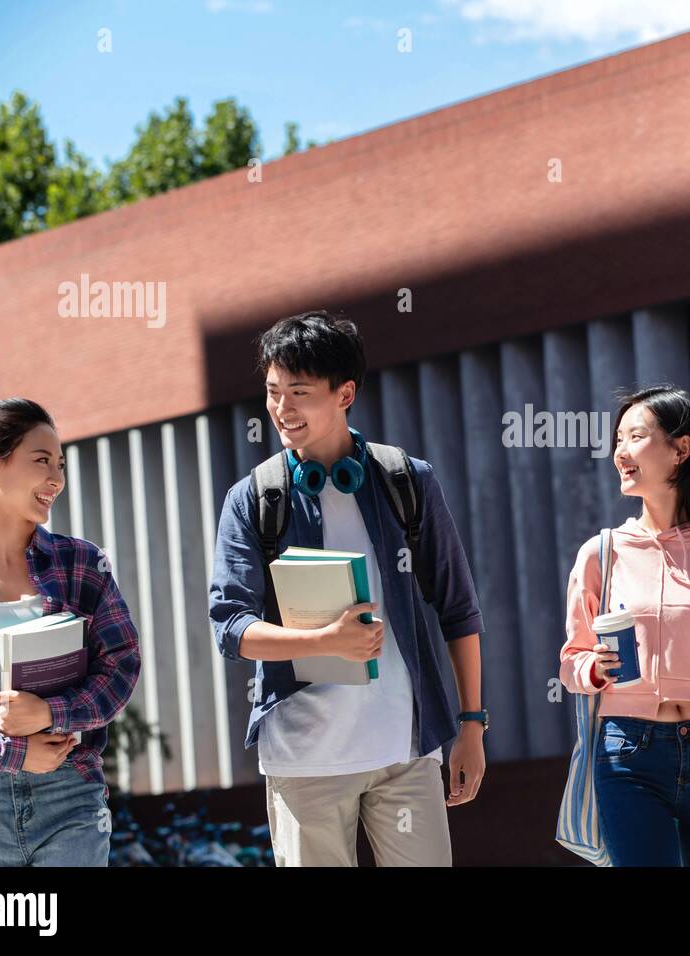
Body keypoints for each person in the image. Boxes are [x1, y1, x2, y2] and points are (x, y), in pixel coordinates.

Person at [208, 309, 485, 867]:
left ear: (345, 393)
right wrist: (324, 642)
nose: (282, 409)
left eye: (300, 392)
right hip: (303, 760)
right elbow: (230, 629)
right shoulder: (254, 499)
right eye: (273, 392)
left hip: (406, 751)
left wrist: (472, 725)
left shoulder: (407, 482)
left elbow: (457, 607)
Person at [0, 398, 141, 866]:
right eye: (41, 461)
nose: (57, 479)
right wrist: (12, 752)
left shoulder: (83, 563)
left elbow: (120, 666)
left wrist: (52, 712)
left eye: (60, 464)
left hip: (71, 793)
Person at [559, 385, 690, 866]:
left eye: (635, 437)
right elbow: (571, 662)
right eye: (618, 440)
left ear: (681, 449)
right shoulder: (601, 554)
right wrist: (595, 668)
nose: (620, 452)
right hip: (626, 755)